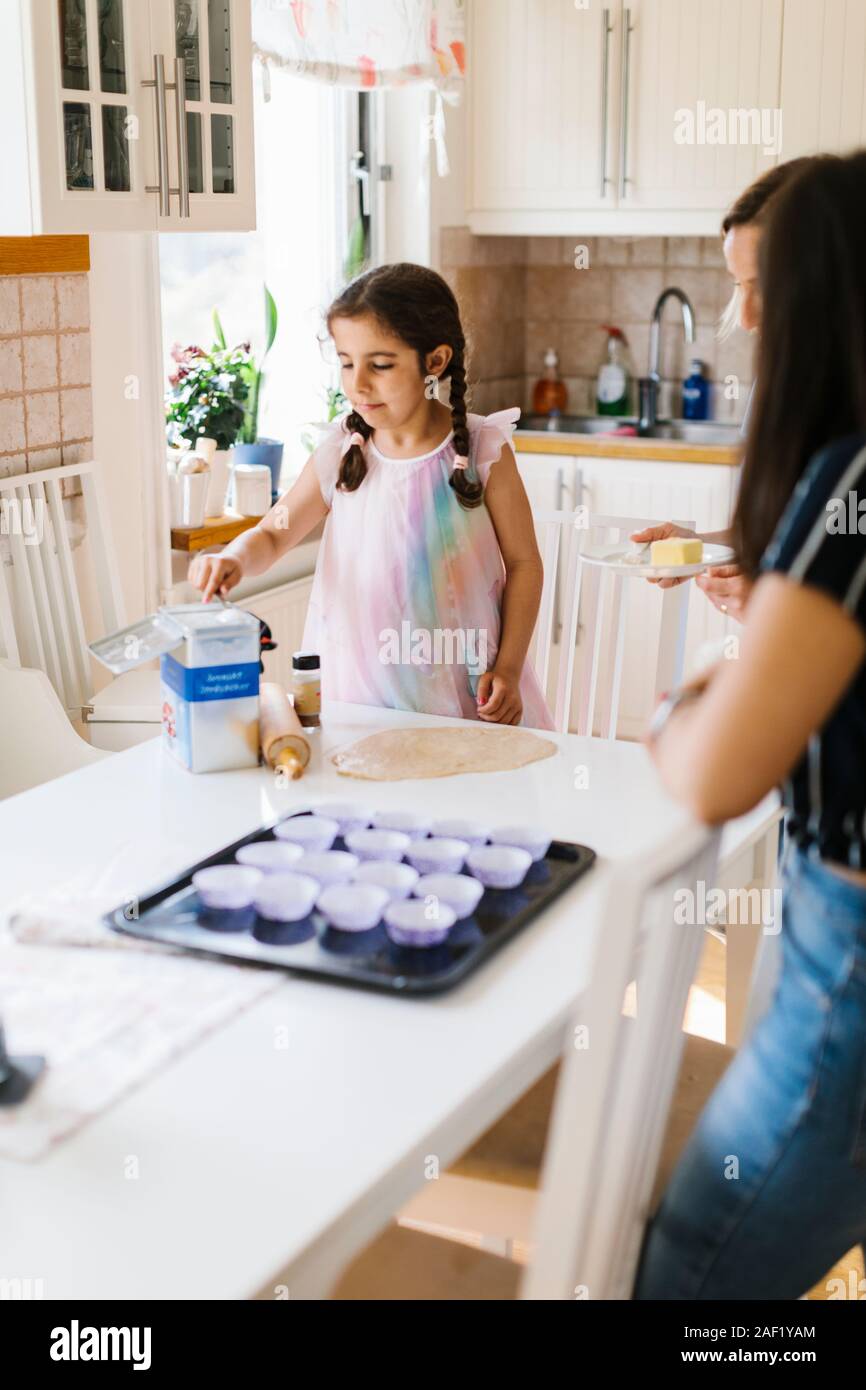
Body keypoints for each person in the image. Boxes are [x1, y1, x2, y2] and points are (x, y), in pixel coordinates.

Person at [634, 151, 866, 1300]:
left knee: (693, 1271)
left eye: (759, 288)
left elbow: (713, 775)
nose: (734, 317)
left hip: (850, 977)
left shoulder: (850, 481)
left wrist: (677, 713)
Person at [188, 263, 553, 729]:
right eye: (345, 362)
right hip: (359, 701)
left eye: (380, 365)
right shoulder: (341, 452)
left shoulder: (484, 451)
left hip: (466, 698)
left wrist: (509, 668)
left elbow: (525, 565)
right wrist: (234, 559)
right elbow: (274, 534)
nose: (357, 383)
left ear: (435, 362)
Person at [632, 159, 811, 623]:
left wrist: (778, 599)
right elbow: (778, 534)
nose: (747, 317)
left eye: (763, 286)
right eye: (738, 286)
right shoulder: (777, 385)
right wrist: (699, 548)